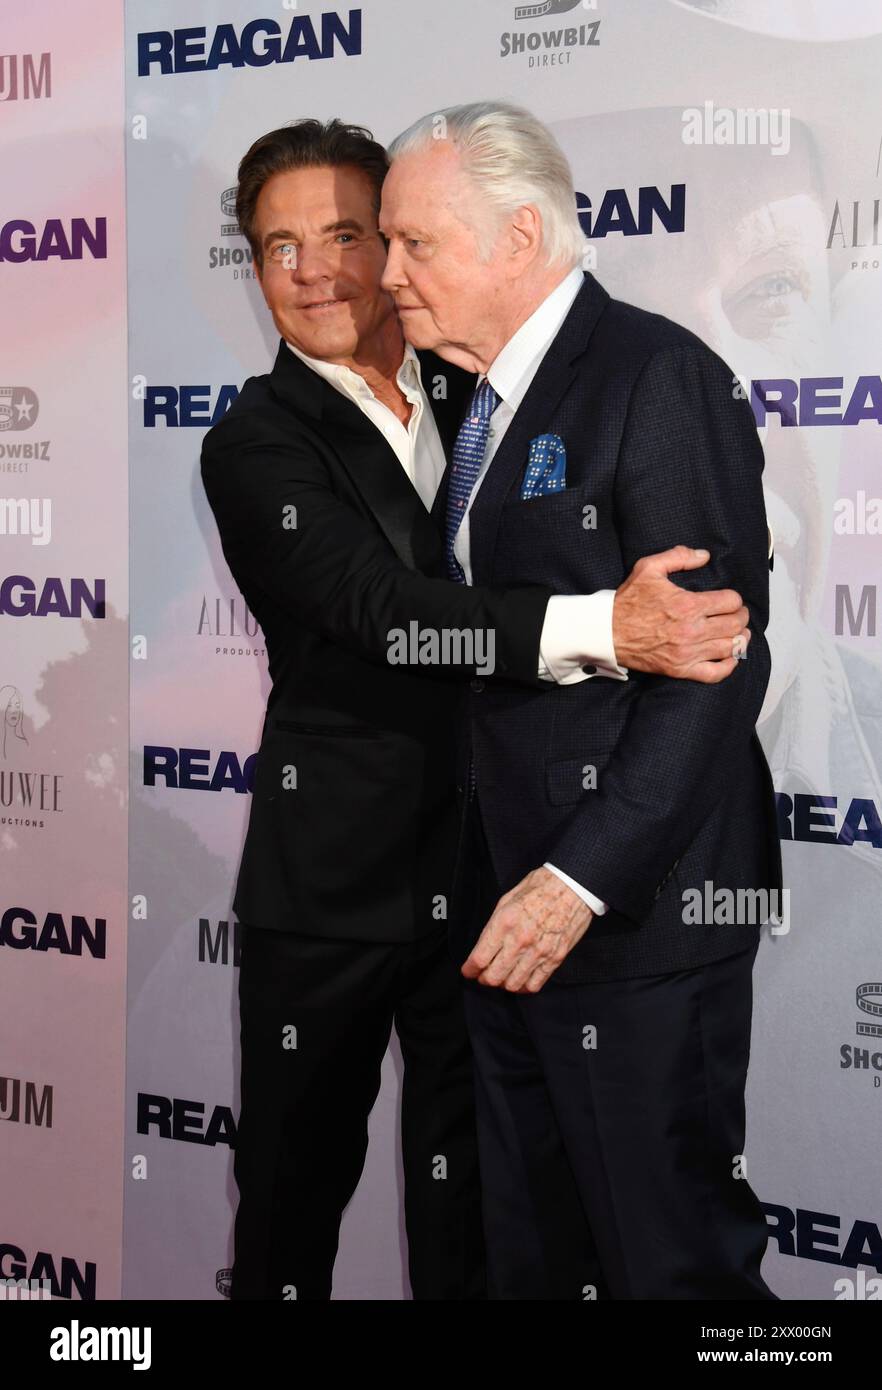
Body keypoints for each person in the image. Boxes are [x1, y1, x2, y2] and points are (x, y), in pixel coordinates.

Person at [200, 118, 752, 1300]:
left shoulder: (496, 383)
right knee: (292, 1209)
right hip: (339, 888)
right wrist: (605, 625)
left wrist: (576, 865)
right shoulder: (255, 438)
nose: (333, 273)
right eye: (277, 247)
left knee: (489, 1228)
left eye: (362, 234)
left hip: (494, 883)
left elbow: (717, 648)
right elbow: (392, 614)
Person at [379, 100, 782, 1299]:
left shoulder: (654, 375)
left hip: (632, 911)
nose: (386, 273)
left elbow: (718, 669)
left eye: (414, 244)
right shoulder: (474, 399)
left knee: (677, 1271)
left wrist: (580, 879)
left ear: (517, 237)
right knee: (533, 1260)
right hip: (508, 907)